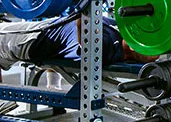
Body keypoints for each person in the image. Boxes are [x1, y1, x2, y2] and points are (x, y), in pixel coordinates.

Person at [0, 16, 157, 78]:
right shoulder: (120, 32)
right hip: (46, 27)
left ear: (134, 49)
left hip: (32, 40)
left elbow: (83, 21)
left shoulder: (107, 48)